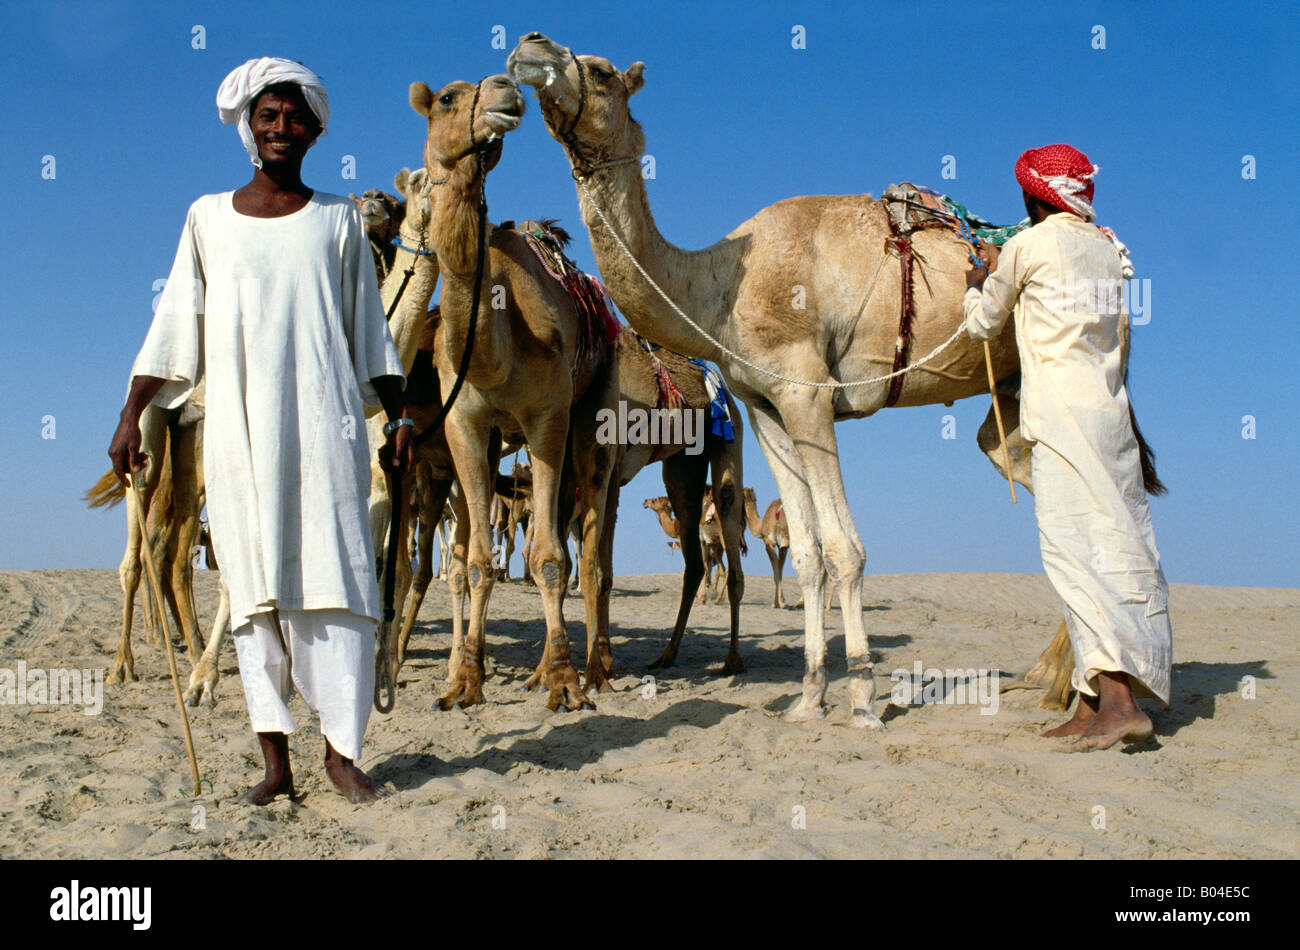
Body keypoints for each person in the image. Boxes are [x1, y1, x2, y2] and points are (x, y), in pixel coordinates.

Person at [108, 57, 412, 802]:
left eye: (294, 116)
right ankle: (274, 761)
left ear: (313, 129)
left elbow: (370, 333)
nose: (281, 128)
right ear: (249, 126)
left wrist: (400, 411)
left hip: (326, 426)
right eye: (268, 116)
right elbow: (177, 321)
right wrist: (130, 413)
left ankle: (342, 754)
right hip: (241, 434)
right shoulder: (207, 217)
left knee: (338, 583)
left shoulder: (340, 220)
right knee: (253, 591)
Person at [963, 144, 1172, 750]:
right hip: (1110, 415)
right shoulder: (1109, 249)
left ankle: (1119, 702)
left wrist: (978, 283)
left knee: (1076, 558)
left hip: (1058, 419)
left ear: (1033, 197)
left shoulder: (1030, 246)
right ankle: (1088, 702)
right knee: (1115, 544)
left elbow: (982, 324)